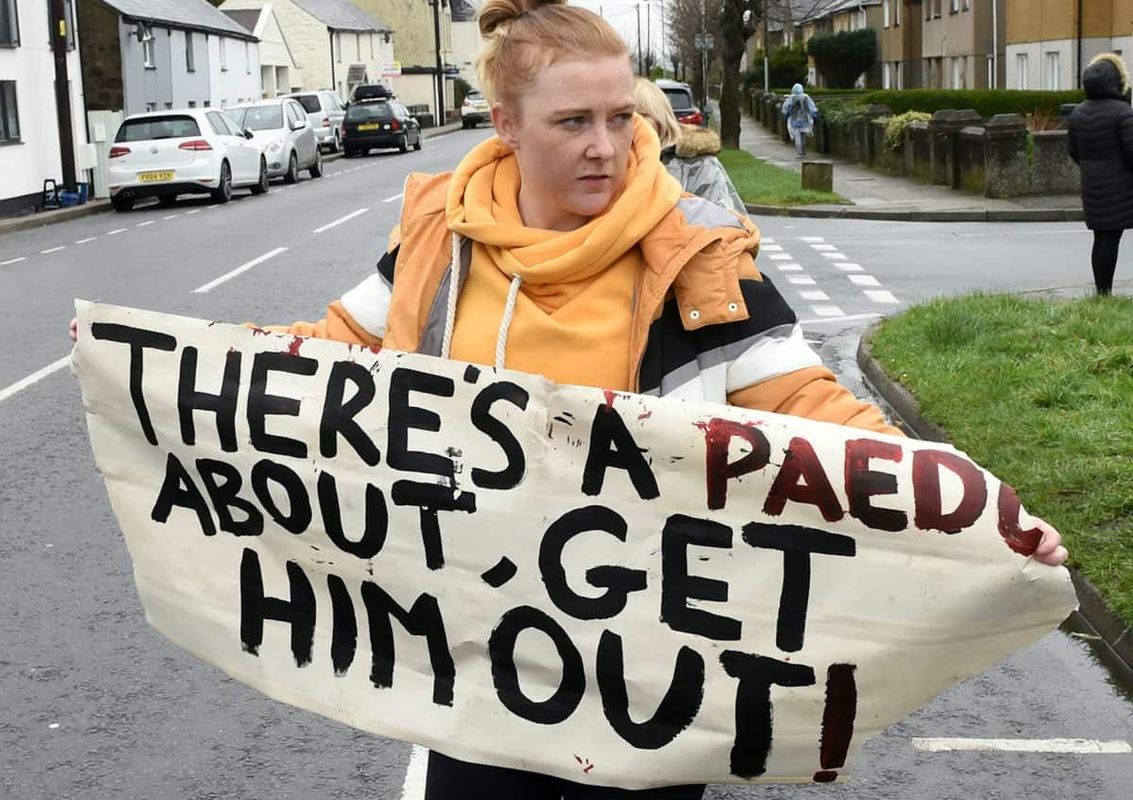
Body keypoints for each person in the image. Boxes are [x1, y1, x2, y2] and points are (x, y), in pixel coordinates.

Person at [69, 0, 1068, 795]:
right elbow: (330, 354)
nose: (607, 146)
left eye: (619, 118)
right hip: (474, 648)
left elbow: (806, 399)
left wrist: (961, 496)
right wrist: (172, 366)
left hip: (643, 665)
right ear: (504, 125)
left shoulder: (695, 253)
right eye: (572, 122)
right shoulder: (436, 241)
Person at [1067, 52, 1133, 296]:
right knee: (1112, 238)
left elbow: (1073, 150)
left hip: (1092, 184)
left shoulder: (1077, 113)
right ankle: (1104, 294)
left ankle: (1102, 292)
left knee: (1101, 237)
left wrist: (1091, 166)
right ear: (1117, 81)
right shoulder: (1123, 112)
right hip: (1121, 186)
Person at [633, 77, 747, 216]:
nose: (633, 124)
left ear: (661, 120)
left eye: (641, 115)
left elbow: (722, 220)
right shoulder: (615, 169)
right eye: (620, 118)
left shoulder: (699, 166)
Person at [781, 83, 818, 159]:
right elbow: (812, 108)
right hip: (805, 119)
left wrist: (785, 116)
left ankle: (799, 153)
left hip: (794, 120)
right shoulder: (806, 97)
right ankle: (803, 151)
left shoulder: (791, 98)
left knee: (797, 137)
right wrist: (815, 116)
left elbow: (785, 108)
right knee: (803, 136)